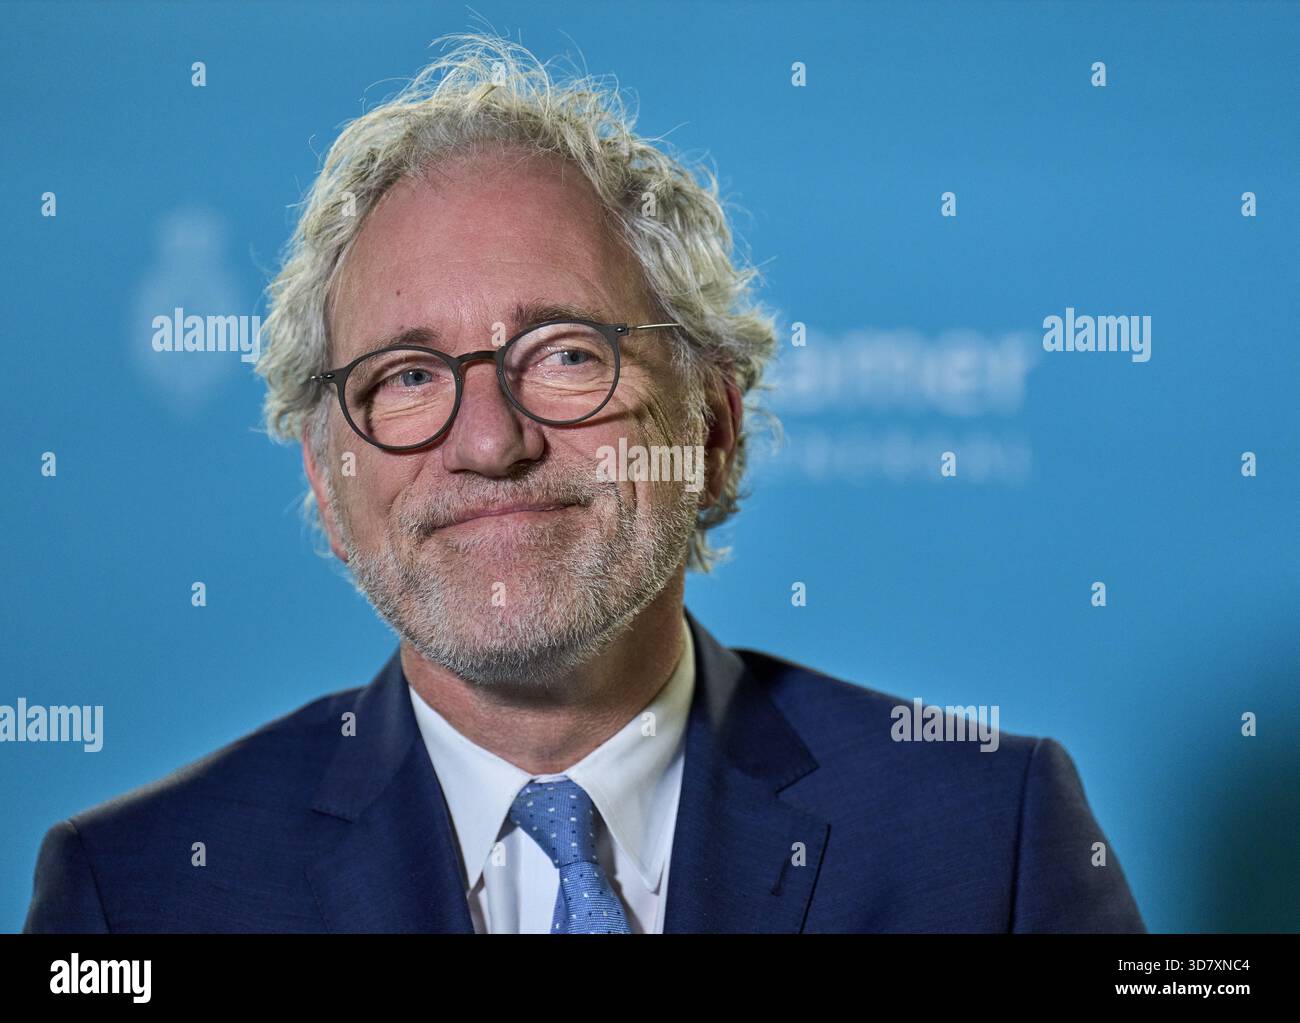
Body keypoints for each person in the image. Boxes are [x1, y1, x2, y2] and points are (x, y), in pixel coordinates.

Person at [23, 32, 1145, 934]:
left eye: (565, 354)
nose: (489, 441)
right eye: (407, 377)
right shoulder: (141, 894)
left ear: (711, 423)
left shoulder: (984, 840)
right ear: (326, 478)